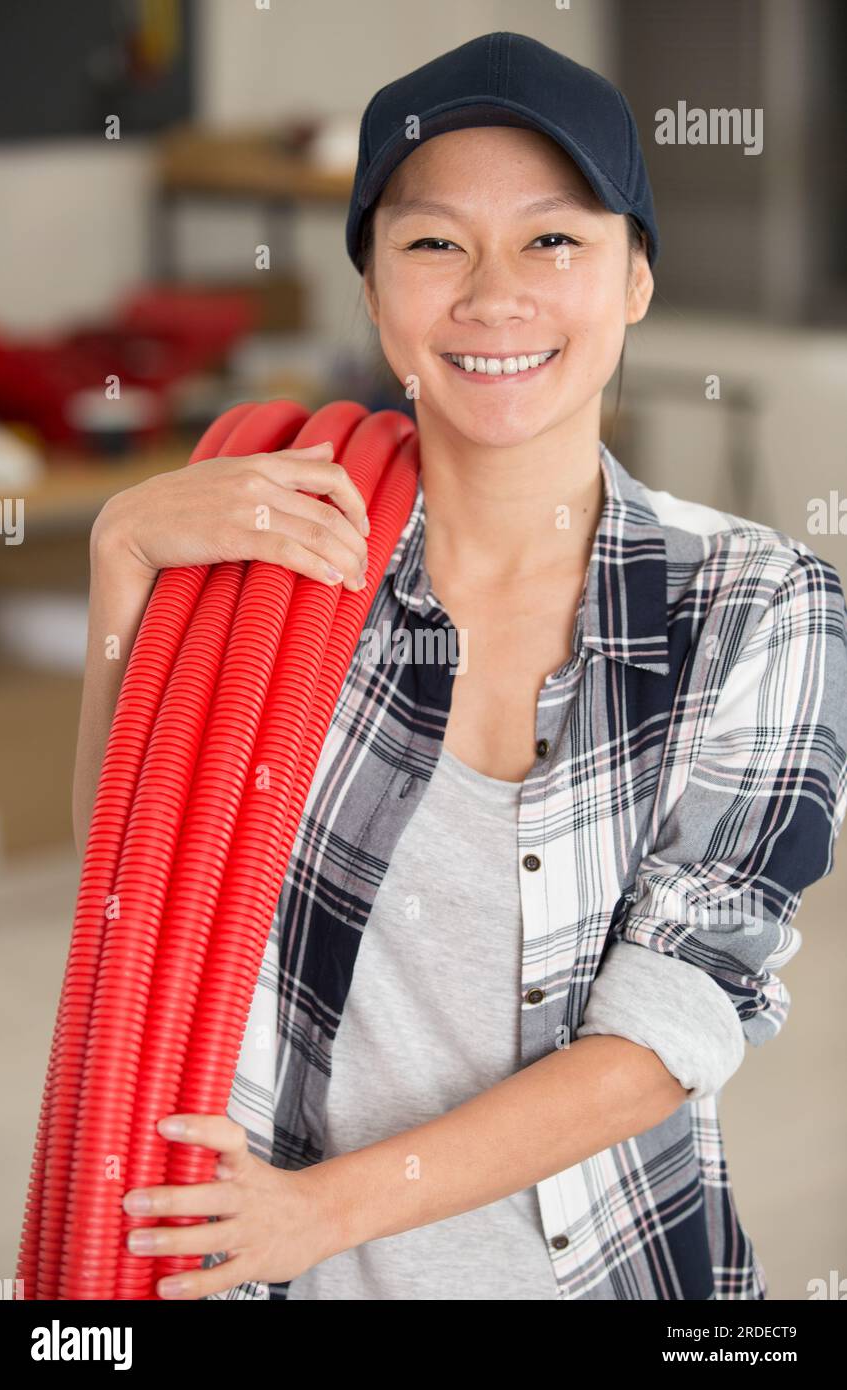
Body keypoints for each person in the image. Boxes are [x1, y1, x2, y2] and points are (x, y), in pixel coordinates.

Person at [83, 34, 847, 1300]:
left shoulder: (758, 605)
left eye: (552, 240)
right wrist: (120, 560)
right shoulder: (285, 567)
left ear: (634, 278)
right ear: (374, 289)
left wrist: (316, 1212)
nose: (494, 296)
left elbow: (667, 1029)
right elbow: (136, 888)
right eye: (435, 242)